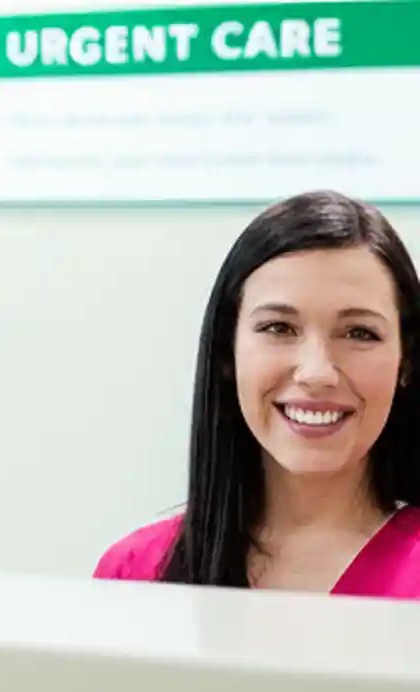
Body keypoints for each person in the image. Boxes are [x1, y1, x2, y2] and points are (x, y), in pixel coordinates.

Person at [95, 190, 420, 598]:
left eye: (359, 333)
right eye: (279, 329)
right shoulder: (135, 575)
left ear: (406, 361)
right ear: (227, 351)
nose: (316, 372)